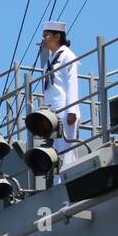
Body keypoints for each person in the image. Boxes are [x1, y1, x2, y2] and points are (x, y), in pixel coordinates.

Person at [41, 21, 81, 170]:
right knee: (55, 152)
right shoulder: (49, 62)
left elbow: (72, 84)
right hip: (52, 113)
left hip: (65, 110)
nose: (44, 39)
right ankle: (58, 180)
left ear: (57, 36)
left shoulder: (67, 57)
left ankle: (67, 177)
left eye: (47, 35)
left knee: (66, 151)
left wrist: (72, 111)